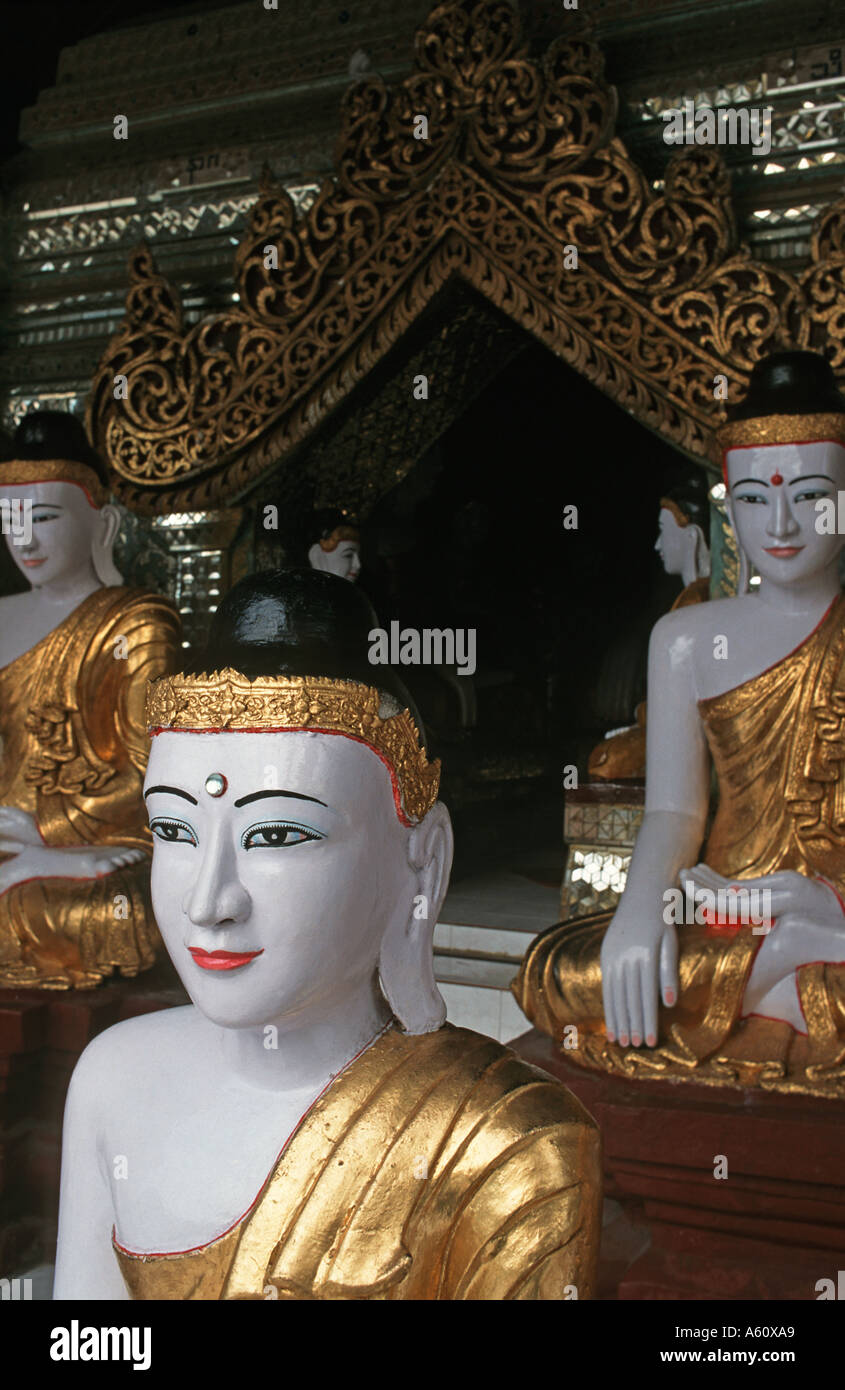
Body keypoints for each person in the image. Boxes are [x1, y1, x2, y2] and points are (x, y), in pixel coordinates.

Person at [54, 568, 601, 1300]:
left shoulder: (503, 1140)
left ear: (420, 858)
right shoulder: (112, 1076)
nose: (210, 901)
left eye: (276, 833)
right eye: (174, 830)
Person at [515, 351, 845, 1099]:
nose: (782, 523)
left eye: (812, 496)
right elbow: (672, 810)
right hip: (718, 908)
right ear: (729, 507)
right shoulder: (688, 639)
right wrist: (640, 911)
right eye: (755, 499)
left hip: (829, 902)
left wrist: (823, 898)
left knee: (643, 994)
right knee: (562, 974)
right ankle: (783, 969)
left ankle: (790, 954)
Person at [0, 411, 181, 988]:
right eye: (9, 518)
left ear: (101, 525)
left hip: (98, 835)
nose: (24, 537)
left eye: (45, 516)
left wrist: (46, 829)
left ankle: (35, 871)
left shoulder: (135, 622)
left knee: (112, 912)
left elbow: (155, 772)